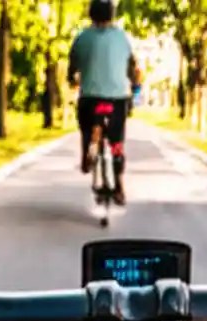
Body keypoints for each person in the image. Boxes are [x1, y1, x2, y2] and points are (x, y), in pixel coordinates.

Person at [68, 0, 142, 205]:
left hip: (90, 98)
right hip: (118, 99)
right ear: (112, 15)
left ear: (91, 14)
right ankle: (119, 185)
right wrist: (135, 88)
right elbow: (132, 67)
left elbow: (72, 65)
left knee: (86, 124)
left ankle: (88, 149)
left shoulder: (82, 37)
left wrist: (71, 77)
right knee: (117, 142)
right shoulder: (122, 38)